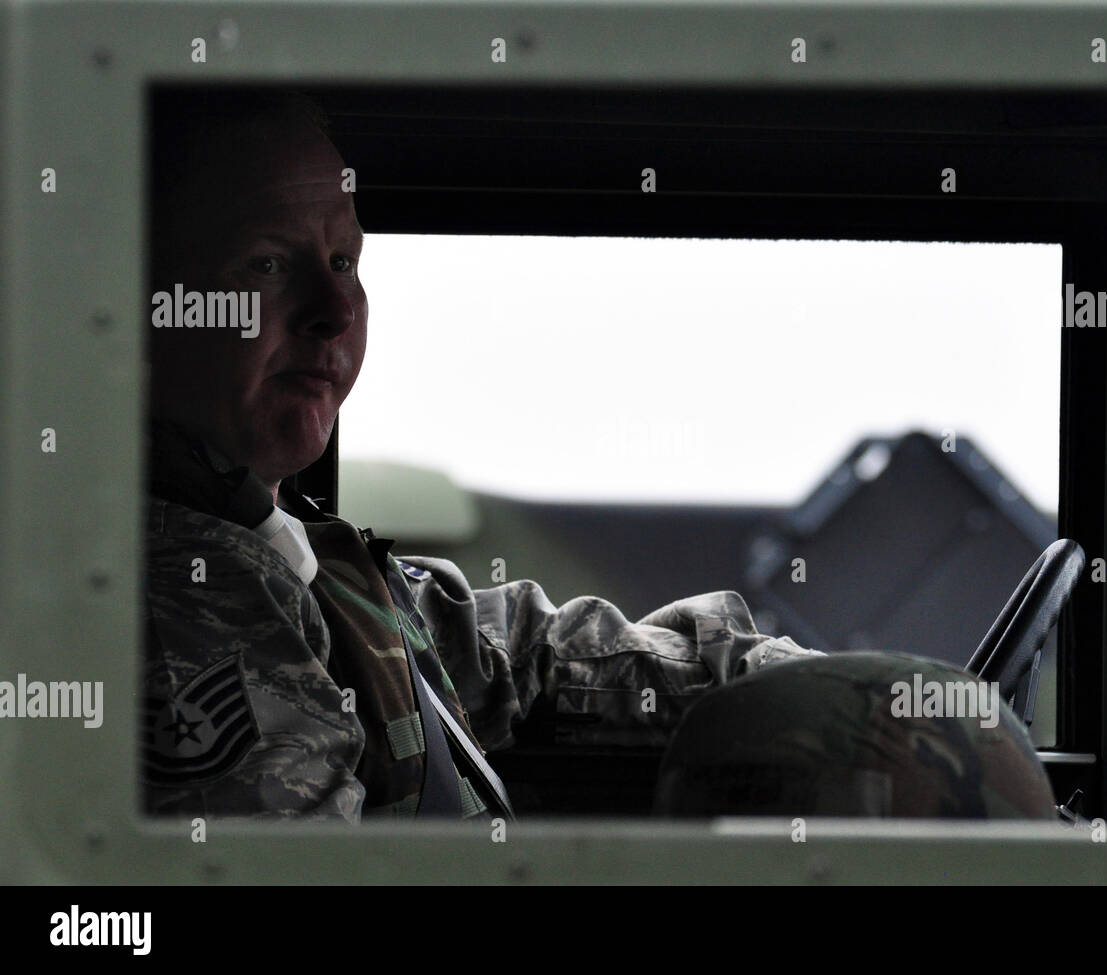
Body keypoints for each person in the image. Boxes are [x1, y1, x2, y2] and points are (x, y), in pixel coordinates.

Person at [141, 90, 821, 822]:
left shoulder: (290, 551)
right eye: (269, 262)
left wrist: (833, 693)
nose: (335, 308)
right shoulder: (186, 597)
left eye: (344, 259)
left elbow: (523, 653)